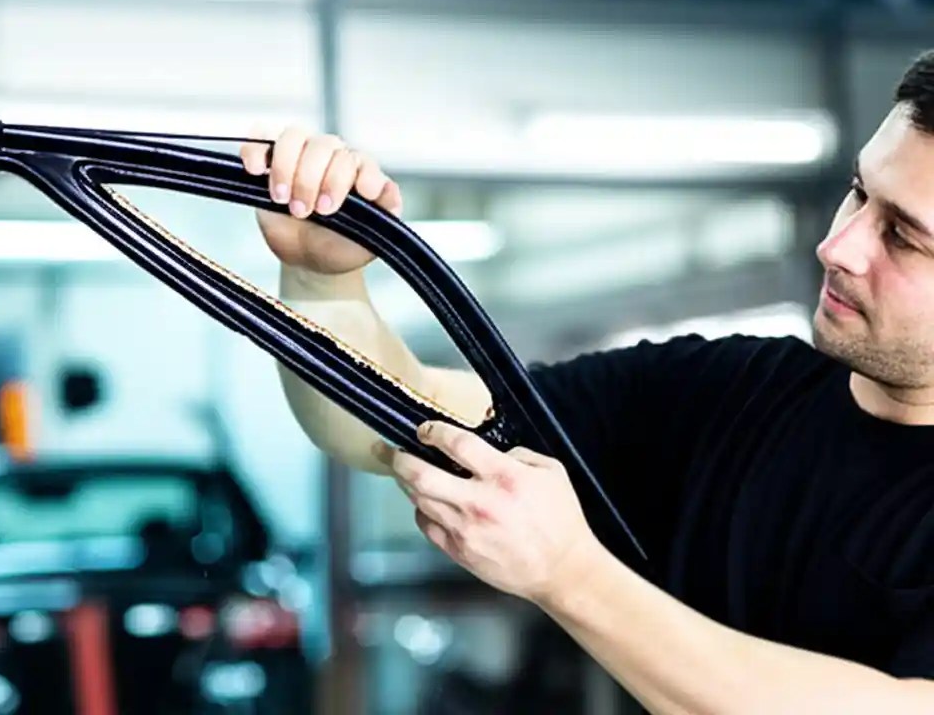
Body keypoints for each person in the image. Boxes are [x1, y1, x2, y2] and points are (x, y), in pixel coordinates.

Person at [238, 50, 934, 713]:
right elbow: (396, 420)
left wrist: (571, 575)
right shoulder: (731, 392)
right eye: (857, 192)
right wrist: (324, 282)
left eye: (904, 235)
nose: (837, 245)